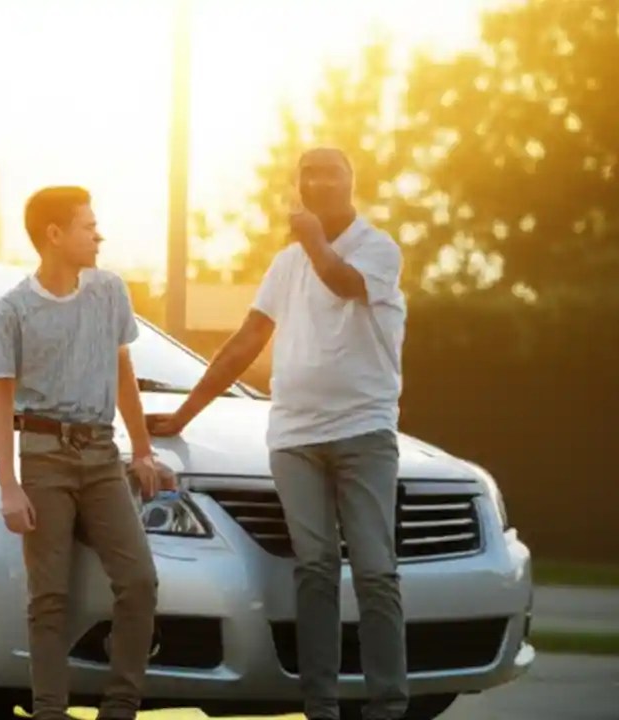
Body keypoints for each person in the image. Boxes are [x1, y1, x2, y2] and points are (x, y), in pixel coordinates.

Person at [148, 147, 409, 720]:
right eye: (307, 174)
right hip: (294, 439)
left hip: (364, 433)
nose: (316, 182)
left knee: (373, 568)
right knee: (314, 568)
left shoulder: (378, 250)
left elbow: (344, 284)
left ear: (350, 183)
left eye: (329, 173)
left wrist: (314, 240)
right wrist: (184, 415)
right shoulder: (286, 264)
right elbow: (245, 341)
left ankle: (388, 703)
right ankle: (320, 703)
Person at [0, 185, 169, 720]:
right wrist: (9, 485)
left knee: (138, 581)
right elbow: (0, 399)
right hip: (44, 455)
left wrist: (141, 450)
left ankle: (121, 708)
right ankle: (49, 712)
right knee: (49, 596)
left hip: (101, 455)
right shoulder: (12, 310)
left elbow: (122, 371)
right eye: (89, 227)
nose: (99, 235)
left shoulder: (109, 291)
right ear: (54, 234)